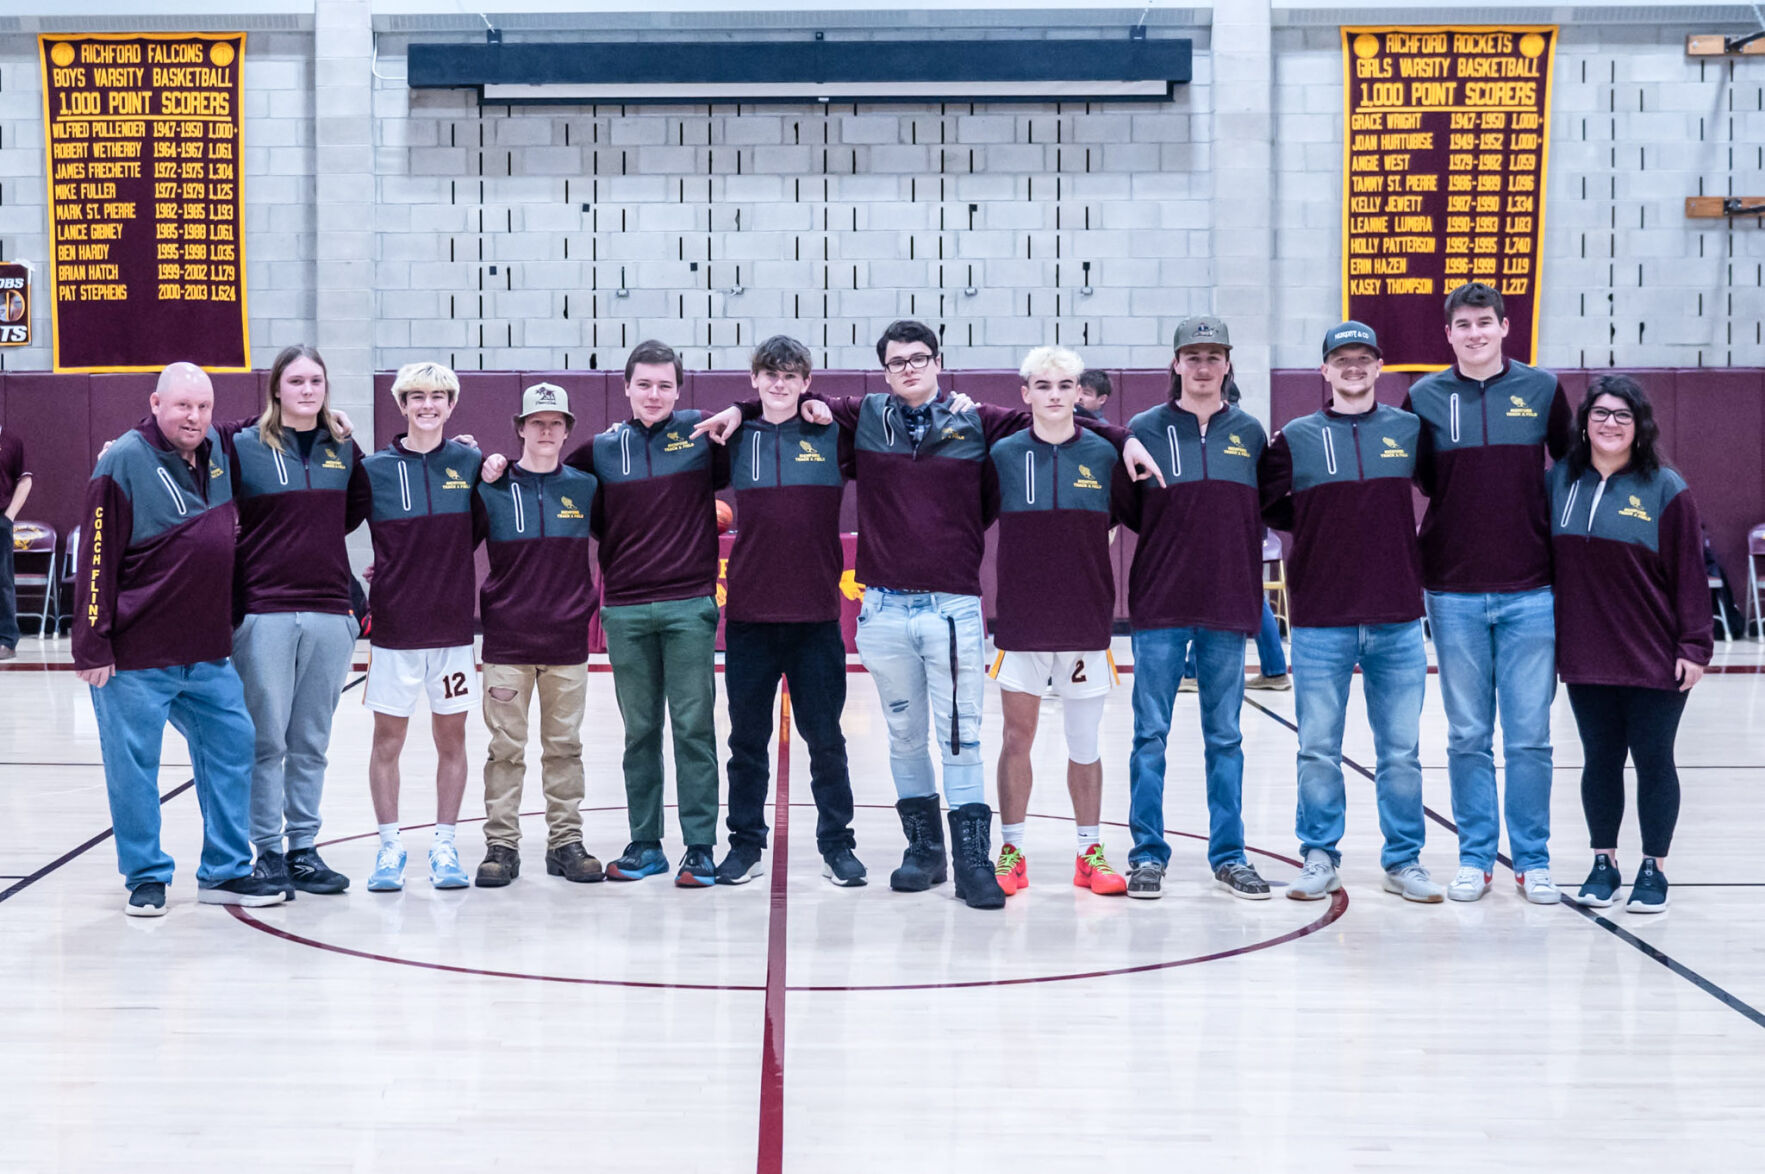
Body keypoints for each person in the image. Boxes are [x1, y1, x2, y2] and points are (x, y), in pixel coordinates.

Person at [695, 320, 1161, 910]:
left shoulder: (979, 419)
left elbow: (1063, 421)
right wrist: (738, 409)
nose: (909, 368)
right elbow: (782, 397)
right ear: (885, 370)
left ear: (938, 362)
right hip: (884, 605)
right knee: (905, 736)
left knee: (961, 735)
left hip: (952, 606)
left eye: (919, 358)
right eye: (897, 362)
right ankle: (925, 852)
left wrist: (1127, 440)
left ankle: (972, 860)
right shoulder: (861, 416)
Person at [487, 342, 731, 887]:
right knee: (639, 732)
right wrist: (496, 463)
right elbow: (544, 476)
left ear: (679, 390)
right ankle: (645, 842)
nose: (653, 394)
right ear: (625, 388)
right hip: (623, 608)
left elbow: (764, 418)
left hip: (689, 604)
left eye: (664, 385)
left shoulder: (701, 435)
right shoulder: (598, 451)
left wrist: (743, 411)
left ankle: (699, 846)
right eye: (643, 384)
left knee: (693, 729)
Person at [73, 362, 285, 915]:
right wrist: (91, 643)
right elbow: (95, 557)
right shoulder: (123, 458)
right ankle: (146, 875)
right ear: (156, 402)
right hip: (136, 654)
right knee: (133, 766)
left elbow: (257, 423)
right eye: (183, 405)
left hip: (208, 652)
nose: (194, 417)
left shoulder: (217, 449)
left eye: (203, 407)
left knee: (233, 747)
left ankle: (225, 870)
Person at [1259, 323, 1443, 904]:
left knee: (1401, 751)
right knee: (1317, 746)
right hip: (1320, 619)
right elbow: (1268, 505)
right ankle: (1319, 855)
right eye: (1343, 359)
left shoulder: (1410, 430)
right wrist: (1320, 528)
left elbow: (1444, 492)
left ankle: (1404, 859)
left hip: (1396, 617)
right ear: (1325, 371)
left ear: (1380, 366)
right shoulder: (1294, 437)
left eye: (1364, 358)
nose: (1354, 367)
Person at [1405, 282, 1571, 904]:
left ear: (1505, 327)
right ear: (1448, 335)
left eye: (1485, 322)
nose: (1475, 333)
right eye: (1463, 325)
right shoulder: (1423, 395)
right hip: (1452, 591)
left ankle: (1533, 858)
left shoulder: (1542, 390)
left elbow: (1573, 466)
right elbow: (1423, 478)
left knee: (1529, 734)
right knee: (1467, 733)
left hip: (1532, 587)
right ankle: (1476, 856)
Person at [1119, 318, 1273, 900]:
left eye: (1214, 355)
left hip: (1227, 605)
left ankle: (1230, 856)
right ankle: (1147, 855)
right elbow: (1132, 509)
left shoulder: (1251, 434)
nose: (1204, 366)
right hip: (1160, 603)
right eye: (1193, 355)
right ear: (1176, 363)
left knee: (1225, 736)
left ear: (1228, 364)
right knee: (1149, 735)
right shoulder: (1144, 429)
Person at [1551, 375, 1712, 913]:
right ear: (1584, 422)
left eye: (1623, 415)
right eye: (1600, 413)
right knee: (1599, 759)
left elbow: (1691, 572)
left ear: (1640, 425)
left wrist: (1694, 646)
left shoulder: (1666, 487)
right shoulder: (1561, 482)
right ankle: (1604, 862)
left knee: (1652, 759)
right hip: (1585, 653)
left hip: (1653, 654)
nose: (1610, 424)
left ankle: (1653, 868)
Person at [716, 336, 864, 887]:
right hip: (751, 617)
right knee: (746, 743)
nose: (779, 384)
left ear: (806, 381)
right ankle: (745, 845)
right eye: (769, 375)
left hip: (817, 618)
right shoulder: (733, 436)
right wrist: (741, 410)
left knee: (825, 739)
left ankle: (838, 846)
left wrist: (821, 403)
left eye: (790, 376)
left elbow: (865, 416)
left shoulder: (832, 435)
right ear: (754, 379)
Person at [223, 344, 369, 898]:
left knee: (310, 739)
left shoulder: (343, 447)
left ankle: (304, 848)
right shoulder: (242, 446)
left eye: (316, 381)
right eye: (297, 381)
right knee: (267, 740)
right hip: (264, 610)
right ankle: (267, 852)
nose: (308, 390)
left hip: (331, 610)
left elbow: (353, 511)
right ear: (277, 389)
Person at [988, 345, 1131, 898]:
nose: (1054, 395)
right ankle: (1012, 851)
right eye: (1042, 386)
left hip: (1085, 620)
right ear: (1025, 395)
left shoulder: (1105, 455)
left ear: (1079, 393)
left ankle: (1088, 853)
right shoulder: (1001, 455)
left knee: (1084, 742)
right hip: (1022, 621)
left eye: (1064, 385)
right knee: (1015, 738)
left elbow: (1124, 516)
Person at [470, 382, 604, 887]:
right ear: (520, 428)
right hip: (507, 642)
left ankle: (565, 842)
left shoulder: (586, 487)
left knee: (565, 747)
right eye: (536, 423)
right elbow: (449, 543)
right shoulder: (491, 486)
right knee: (505, 749)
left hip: (566, 642)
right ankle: (501, 845)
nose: (546, 431)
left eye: (555, 423)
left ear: (568, 430)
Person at [360, 361, 484, 892]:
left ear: (452, 405)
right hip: (394, 632)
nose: (427, 405)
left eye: (438, 396)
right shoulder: (371, 470)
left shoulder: (472, 463)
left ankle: (444, 843)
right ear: (402, 405)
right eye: (417, 397)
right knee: (387, 740)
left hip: (453, 631)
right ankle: (390, 846)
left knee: (451, 740)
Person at [1179, 372, 1288, 693]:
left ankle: (1195, 671)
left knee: (1220, 595)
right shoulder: (1246, 432)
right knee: (1248, 597)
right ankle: (1273, 669)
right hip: (1242, 531)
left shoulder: (1237, 432)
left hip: (1234, 533)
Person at [0, 423, 30, 660]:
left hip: (0, 519)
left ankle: (7, 640)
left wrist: (8, 517)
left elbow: (25, 480)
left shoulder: (11, 441)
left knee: (2, 581)